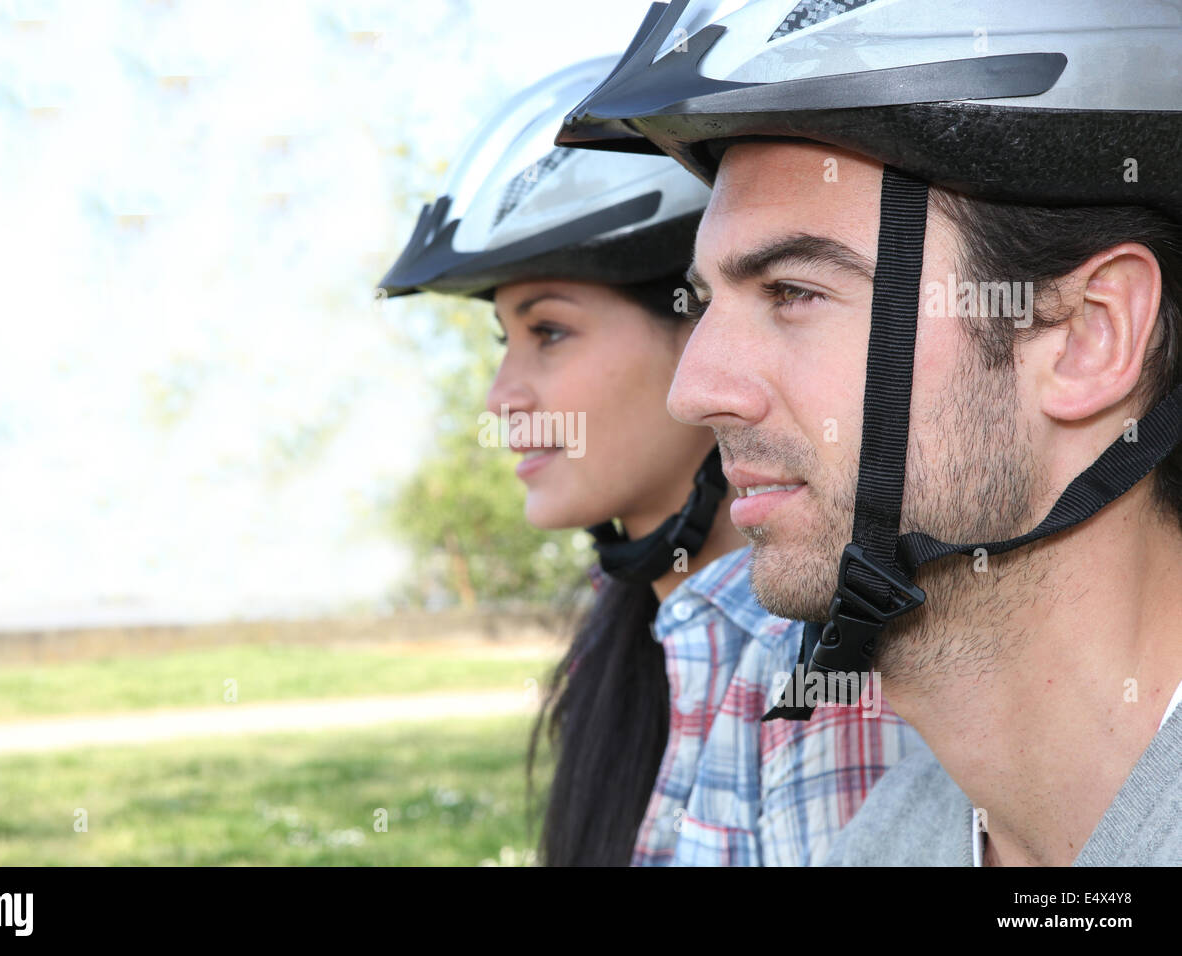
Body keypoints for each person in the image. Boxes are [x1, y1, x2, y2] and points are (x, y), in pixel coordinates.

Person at [559, 0, 1182, 865]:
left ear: (1089, 335)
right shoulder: (881, 845)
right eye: (705, 305)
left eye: (793, 291)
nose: (696, 393)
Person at [380, 55, 920, 866]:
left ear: (702, 333)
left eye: (549, 333)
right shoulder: (648, 643)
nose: (501, 399)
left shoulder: (823, 680)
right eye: (505, 341)